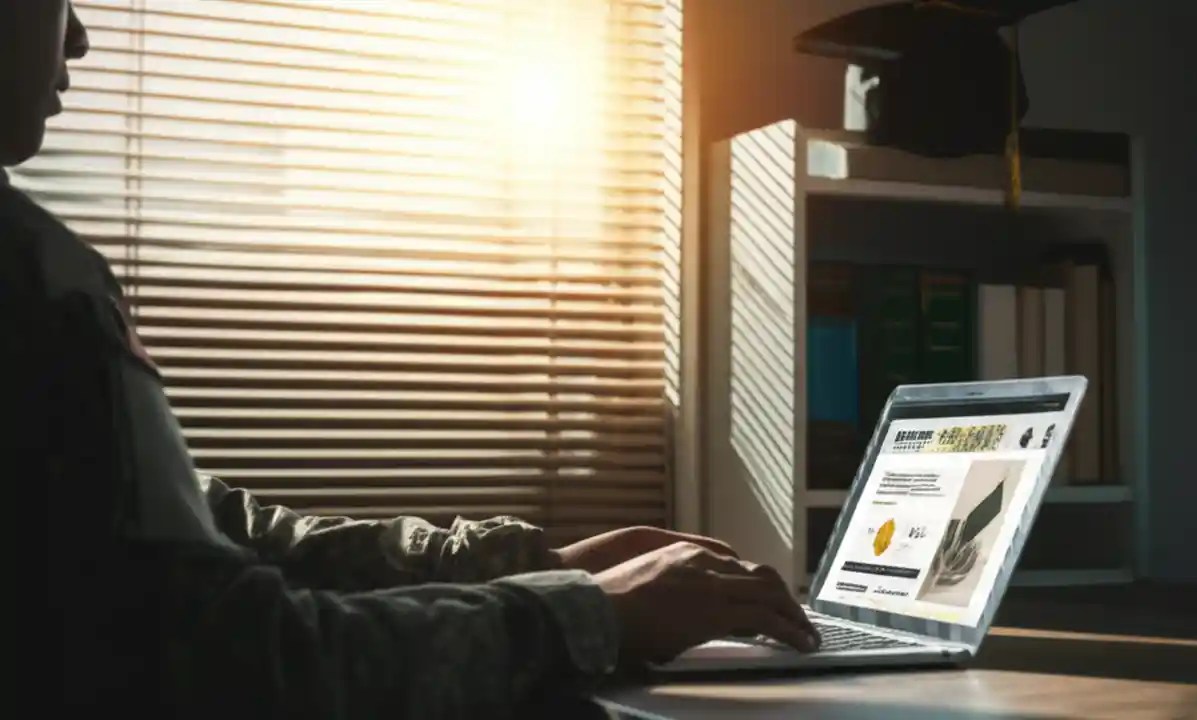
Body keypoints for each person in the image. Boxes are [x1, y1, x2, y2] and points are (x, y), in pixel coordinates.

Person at [1, 1, 818, 717]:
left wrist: (534, 562)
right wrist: (590, 614)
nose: (78, 36)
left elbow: (230, 535)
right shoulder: (35, 287)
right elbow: (241, 668)